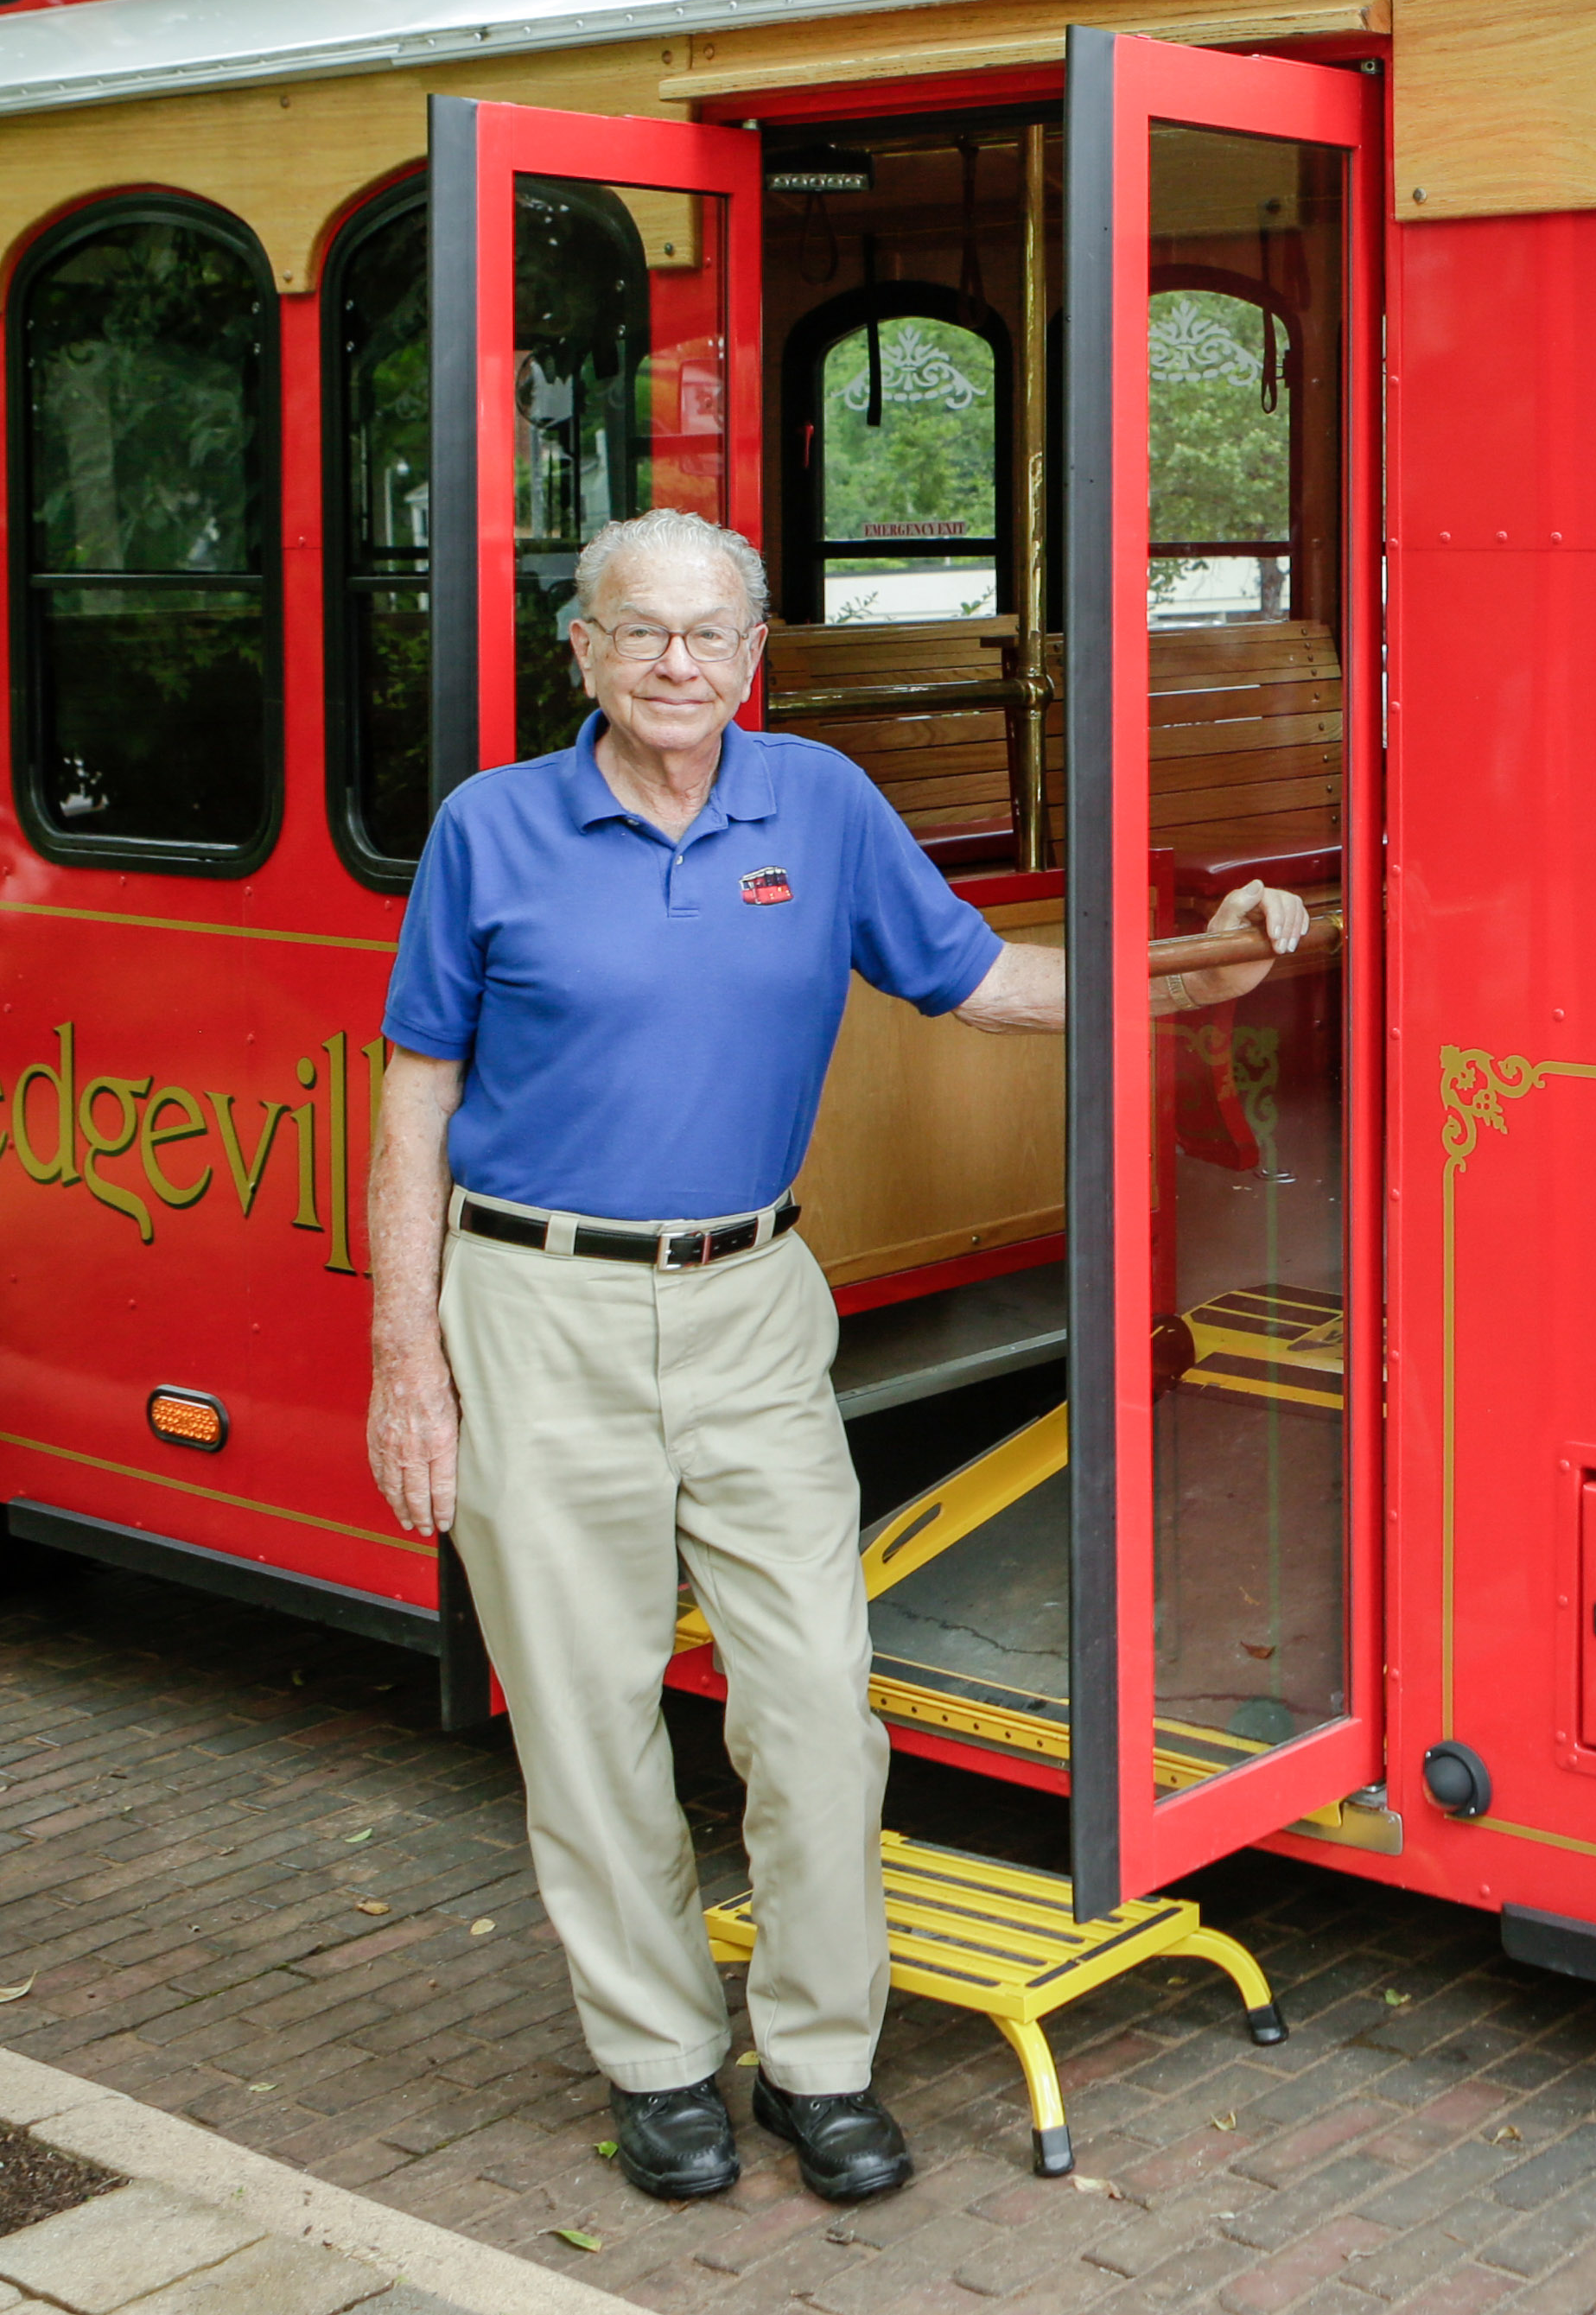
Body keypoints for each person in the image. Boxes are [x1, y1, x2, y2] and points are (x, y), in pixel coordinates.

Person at [363, 506, 1303, 2208]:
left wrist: (1201, 968)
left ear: (755, 656)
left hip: (749, 1305)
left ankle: (816, 2061)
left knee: (812, 1713)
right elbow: (417, 1086)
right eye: (640, 632)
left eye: (710, 635)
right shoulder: (490, 832)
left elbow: (993, 986)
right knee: (584, 1725)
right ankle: (659, 2065)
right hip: (535, 1309)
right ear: (578, 649)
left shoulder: (820, 805)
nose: (676, 665)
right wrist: (404, 1354)